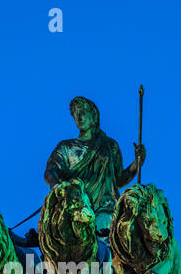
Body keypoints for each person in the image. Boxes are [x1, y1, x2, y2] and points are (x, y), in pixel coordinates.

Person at [44, 96, 145, 235]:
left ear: (93, 116)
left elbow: (119, 179)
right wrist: (58, 187)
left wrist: (137, 163)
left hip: (105, 211)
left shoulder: (109, 146)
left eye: (82, 113)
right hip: (76, 209)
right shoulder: (66, 148)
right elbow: (50, 172)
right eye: (75, 114)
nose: (78, 117)